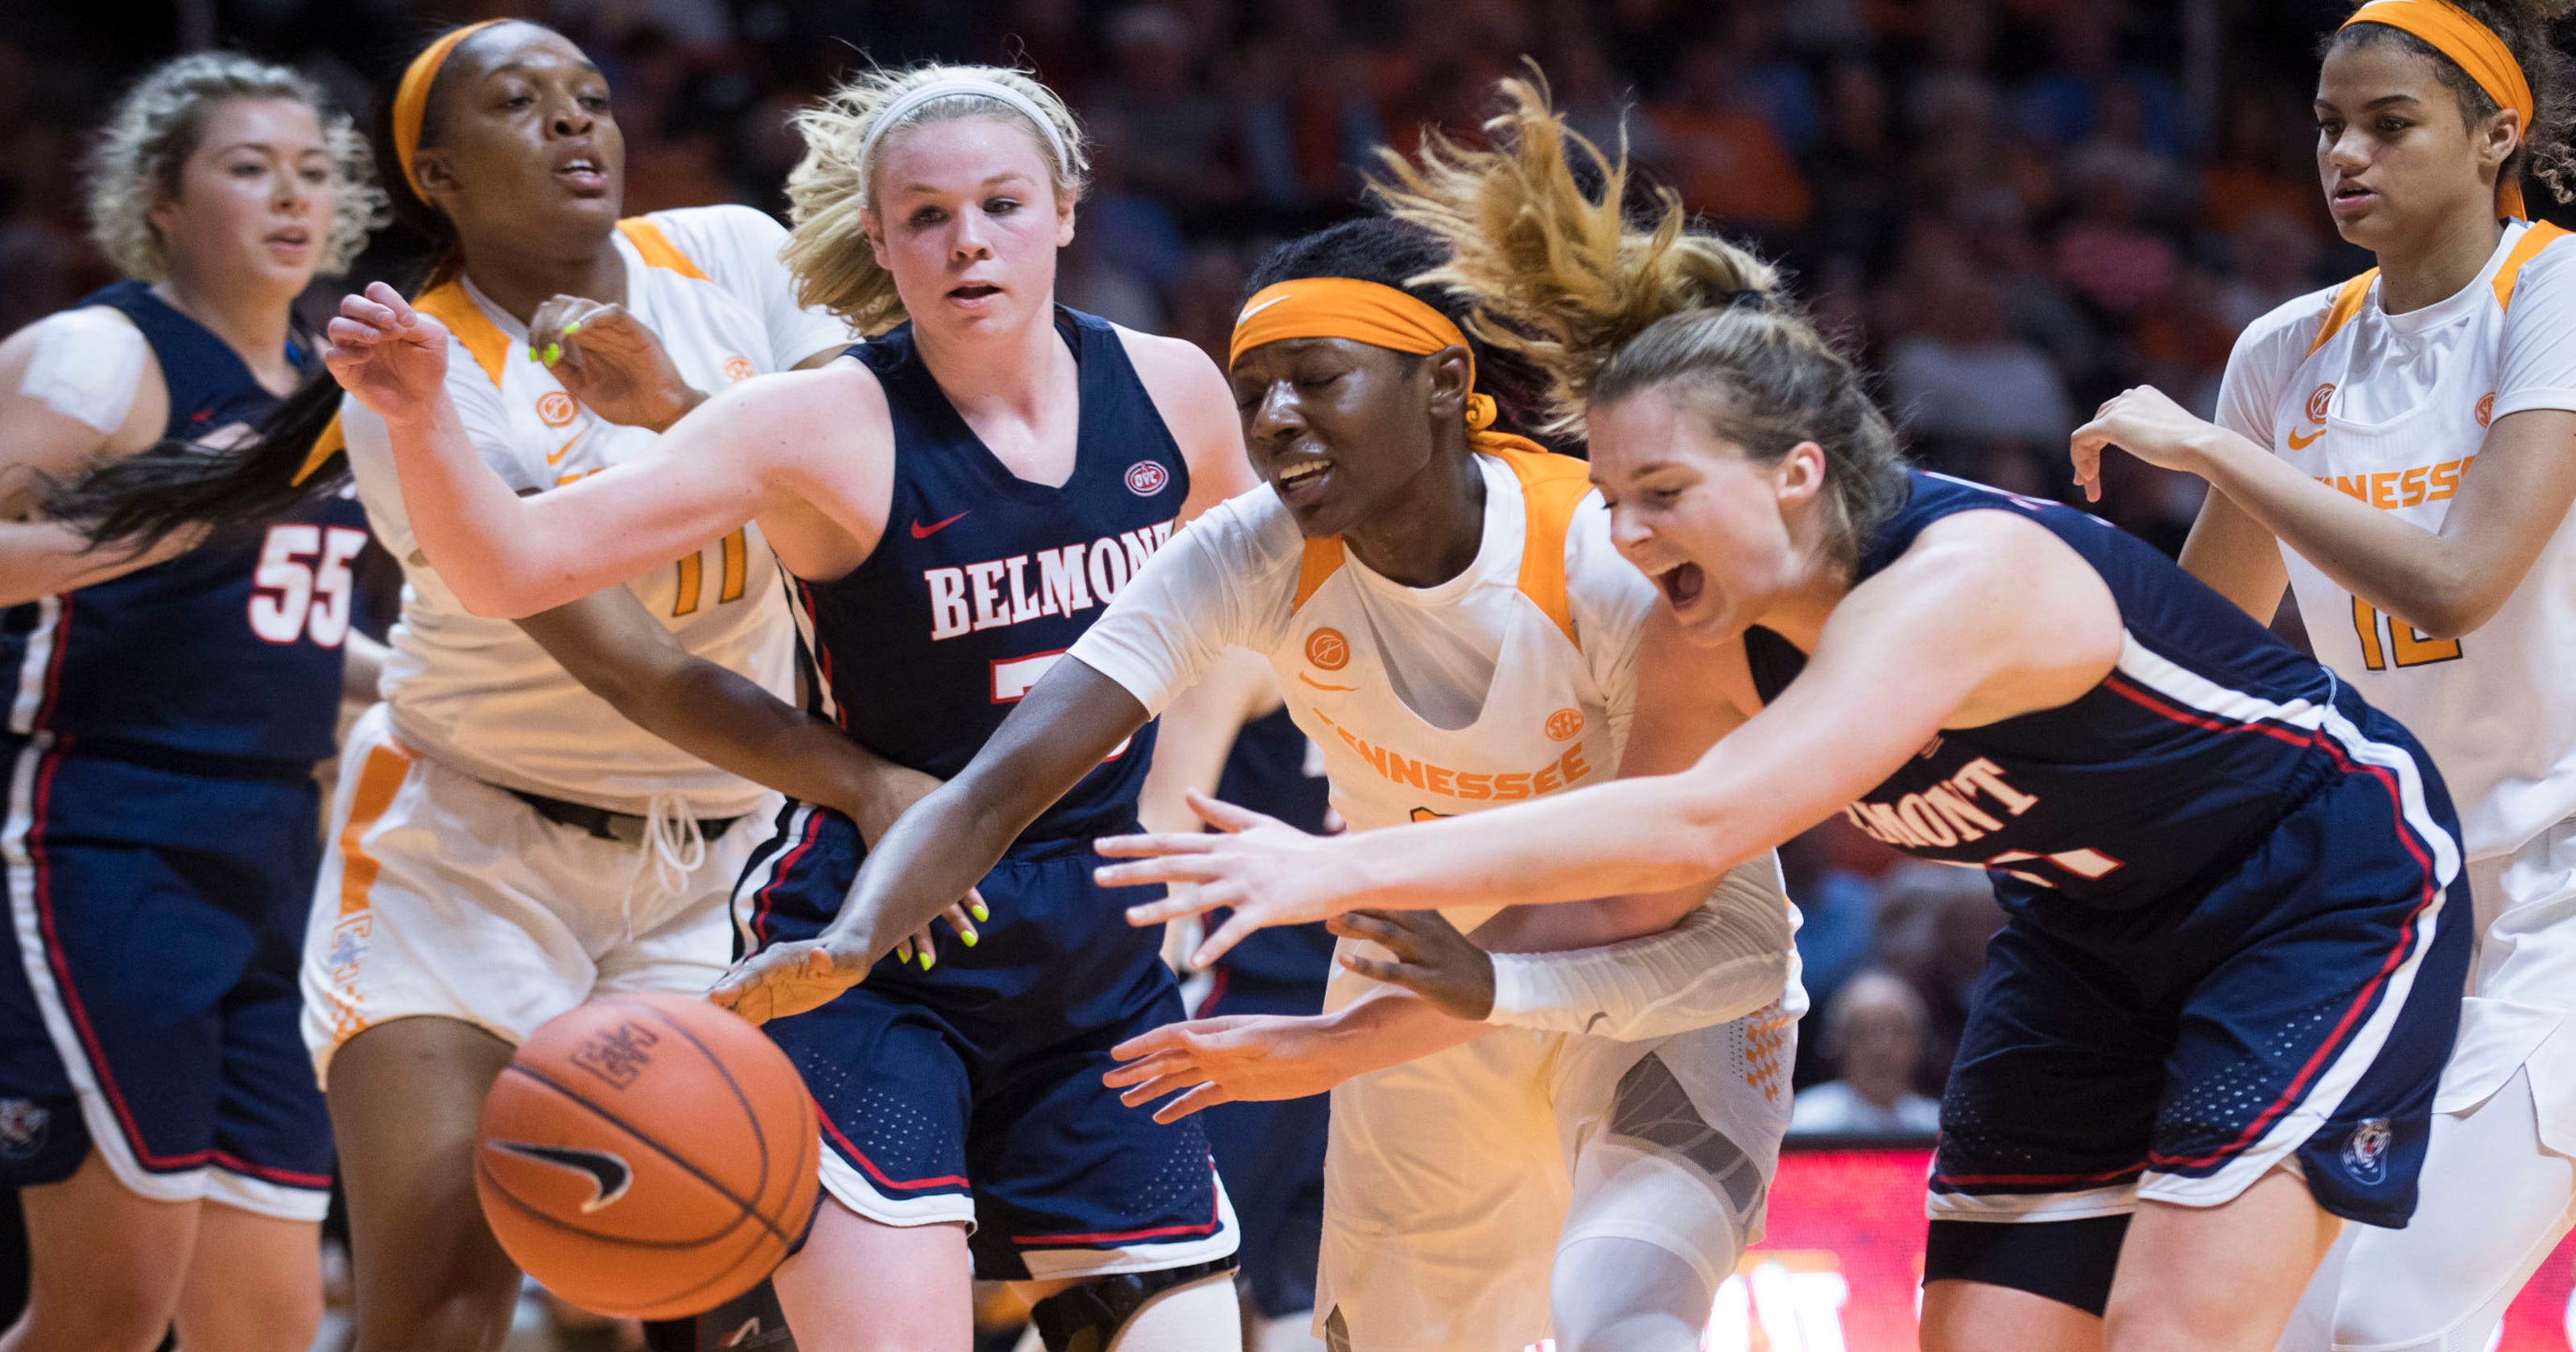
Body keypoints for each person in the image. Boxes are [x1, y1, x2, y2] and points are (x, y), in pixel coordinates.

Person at [1093, 79, 2473, 1352]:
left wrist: (1332, 864)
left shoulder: (1957, 579)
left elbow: (1703, 819)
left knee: (2170, 1332)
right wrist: (1339, 1045)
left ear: (1798, 473)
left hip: (2311, 891)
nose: (1623, 536)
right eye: (1613, 497)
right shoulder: (1706, 640)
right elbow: (1615, 896)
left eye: (1661, 496)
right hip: (2087, 933)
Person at [708, 213, 1806, 1352]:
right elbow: (997, 784)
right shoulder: (1249, 552)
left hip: (1658, 978)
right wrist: (853, 936)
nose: (1277, 422)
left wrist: (1339, 1035)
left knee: (1619, 1319)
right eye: (1255, 392)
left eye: (1318, 382)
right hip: (1416, 978)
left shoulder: (1597, 557)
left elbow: (1639, 885)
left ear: (1444, 382)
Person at [313, 60, 1262, 1352]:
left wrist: (1205, 815)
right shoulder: (814, 420)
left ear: (1069, 209)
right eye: (926, 216)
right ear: (878, 239)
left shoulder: (1174, 389)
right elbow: (507, 568)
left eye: (1002, 204)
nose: (968, 240)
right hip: (872, 950)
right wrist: (421, 416)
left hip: (1088, 952)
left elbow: (1251, 617)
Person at [50, 22, 967, 1352]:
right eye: (519, 104)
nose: (574, 123)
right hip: (470, 860)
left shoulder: (734, 258)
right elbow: (629, 663)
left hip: (720, 861)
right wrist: (868, 783)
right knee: (438, 1307)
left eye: (589, 98)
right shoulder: (416, 376)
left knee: (724, 1289)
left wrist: (678, 409)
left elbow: (870, 498)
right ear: (439, 174)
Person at [2068, 4, 2576, 1348]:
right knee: (2305, 1328)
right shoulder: (2285, 354)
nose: (2344, 155)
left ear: (2496, 134)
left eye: (2389, 124)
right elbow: (2199, 656)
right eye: (2327, 126)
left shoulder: (2557, 294)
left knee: (2397, 1317)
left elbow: (2464, 577)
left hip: (2572, 889)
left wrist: (2220, 455)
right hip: (2418, 899)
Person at [0, 52, 379, 1352]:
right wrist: (179, 517)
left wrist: (458, 686)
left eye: (316, 172)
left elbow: (289, 629)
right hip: (103, 835)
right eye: (249, 166)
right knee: (108, 1314)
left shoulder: (331, 391)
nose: (293, 195)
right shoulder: (103, 357)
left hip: (274, 858)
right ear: (161, 198)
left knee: (266, 1328)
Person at [1788, 970, 1942, 1136]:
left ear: (1920, 1043)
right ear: (1836, 1044)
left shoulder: (1939, 1129)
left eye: (1897, 1032)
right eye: (1863, 1032)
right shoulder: (1805, 1126)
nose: (1881, 1049)